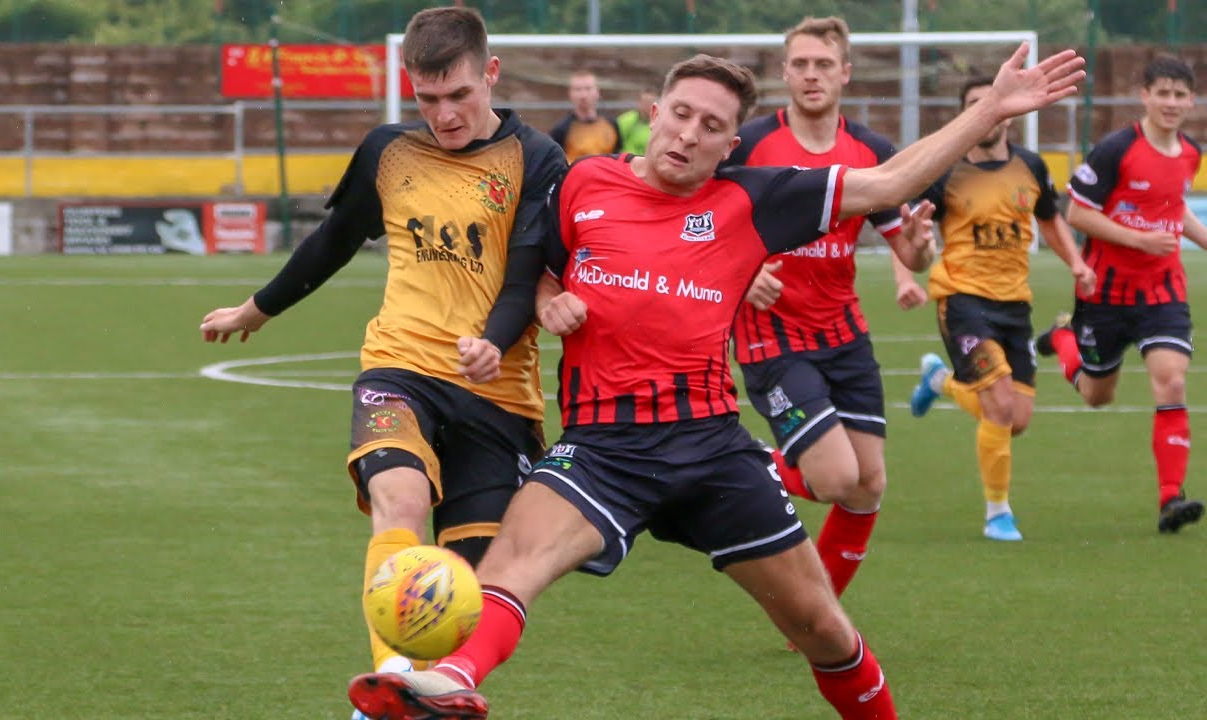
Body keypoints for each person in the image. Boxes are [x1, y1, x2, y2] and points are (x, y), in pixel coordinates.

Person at [348, 44, 1084, 720]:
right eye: (679, 114)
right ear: (654, 113)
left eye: (711, 125)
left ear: (730, 144)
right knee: (514, 562)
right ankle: (450, 681)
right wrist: (551, 301)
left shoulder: (753, 199)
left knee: (823, 629)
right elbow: (537, 275)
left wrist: (988, 110)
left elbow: (891, 181)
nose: (688, 134)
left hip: (711, 450)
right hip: (602, 447)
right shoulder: (584, 184)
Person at [197, 4, 568, 693]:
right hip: (398, 369)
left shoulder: (537, 160)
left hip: (496, 391)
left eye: (459, 95)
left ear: (490, 74)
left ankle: (429, 694)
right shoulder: (388, 151)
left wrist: (491, 343)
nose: (446, 114)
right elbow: (335, 240)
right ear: (410, 87)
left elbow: (523, 279)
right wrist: (258, 308)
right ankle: (390, 678)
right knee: (398, 503)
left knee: (470, 591)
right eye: (429, 99)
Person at [726, 16, 935, 605]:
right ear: (783, 72)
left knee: (867, 486)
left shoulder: (871, 151)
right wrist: (743, 276)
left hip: (844, 333)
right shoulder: (749, 147)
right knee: (836, 477)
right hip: (773, 337)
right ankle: (732, 463)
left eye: (823, 64)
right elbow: (701, 225)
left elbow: (910, 251)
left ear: (845, 73)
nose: (811, 75)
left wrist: (919, 246)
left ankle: (818, 619)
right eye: (801, 64)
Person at [904, 75, 1097, 541]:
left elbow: (1049, 218)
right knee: (1001, 405)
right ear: (966, 116)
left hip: (1015, 304)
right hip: (963, 300)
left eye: (992, 103)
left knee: (1017, 420)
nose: (987, 111)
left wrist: (1075, 262)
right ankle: (997, 514)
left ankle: (939, 382)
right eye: (975, 104)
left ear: (1008, 112)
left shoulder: (1030, 166)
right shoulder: (944, 170)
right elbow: (909, 229)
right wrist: (910, 249)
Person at [1036, 53, 1205, 534]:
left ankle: (1171, 499)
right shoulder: (1116, 150)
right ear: (1145, 96)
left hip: (1162, 291)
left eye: (1180, 94)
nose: (1171, 103)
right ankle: (1062, 340)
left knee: (1171, 381)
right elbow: (1078, 215)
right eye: (1162, 93)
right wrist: (1139, 239)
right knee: (1096, 394)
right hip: (1104, 296)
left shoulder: (1191, 153)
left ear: (1191, 101)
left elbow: (1175, 210)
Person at [549, 69, 621, 163]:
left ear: (597, 92)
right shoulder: (561, 129)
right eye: (578, 89)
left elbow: (618, 155)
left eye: (588, 88)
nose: (583, 95)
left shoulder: (612, 124)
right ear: (570, 93)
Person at [615, 85, 658, 155]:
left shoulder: (658, 126)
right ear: (639, 102)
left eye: (650, 103)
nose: (647, 106)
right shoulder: (625, 120)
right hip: (626, 162)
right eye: (645, 102)